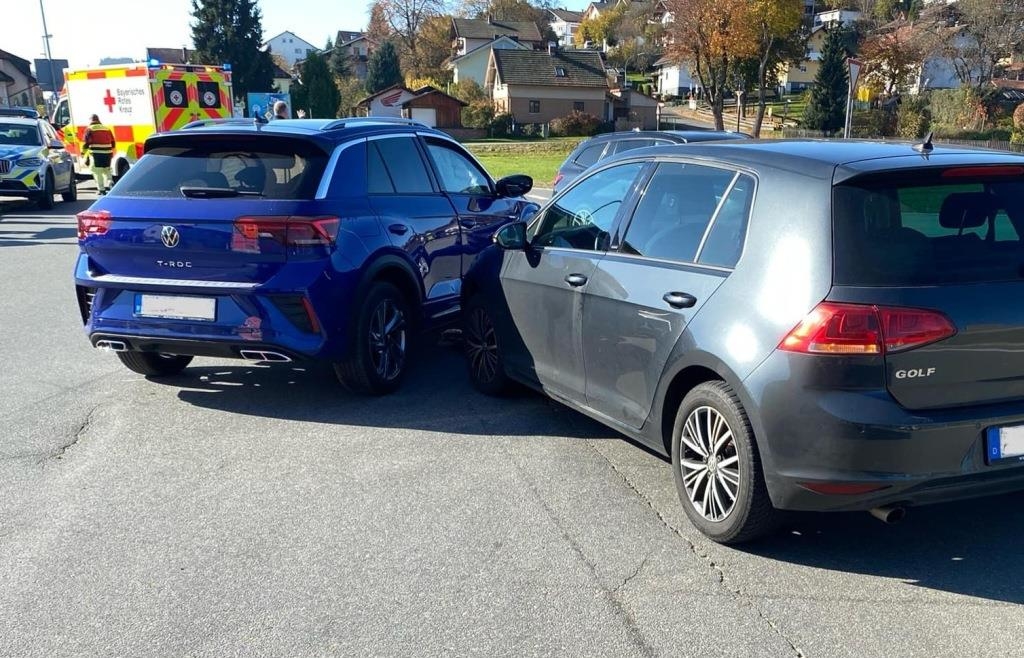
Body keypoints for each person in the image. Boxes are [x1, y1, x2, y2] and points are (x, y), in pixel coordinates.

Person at [82, 114, 116, 195]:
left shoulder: (89, 129)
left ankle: (101, 189)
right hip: (108, 153)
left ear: (91, 120)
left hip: (96, 154)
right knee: (107, 170)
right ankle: (110, 183)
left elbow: (86, 143)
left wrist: (83, 153)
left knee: (97, 172)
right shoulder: (107, 128)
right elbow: (113, 143)